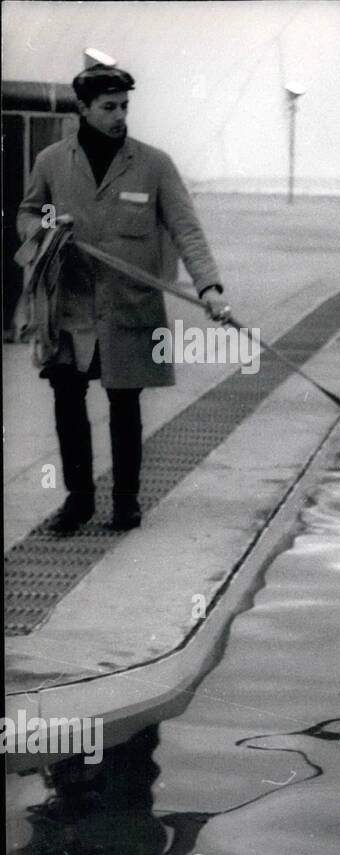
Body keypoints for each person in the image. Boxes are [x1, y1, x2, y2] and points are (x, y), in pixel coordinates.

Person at [17, 64, 229, 534]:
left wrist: (209, 288)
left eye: (124, 107)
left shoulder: (154, 164)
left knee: (124, 402)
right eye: (109, 107)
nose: (119, 116)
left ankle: (126, 502)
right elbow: (29, 212)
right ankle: (78, 500)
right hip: (68, 306)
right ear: (83, 108)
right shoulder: (51, 161)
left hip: (128, 305)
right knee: (67, 399)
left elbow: (186, 229)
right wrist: (46, 230)